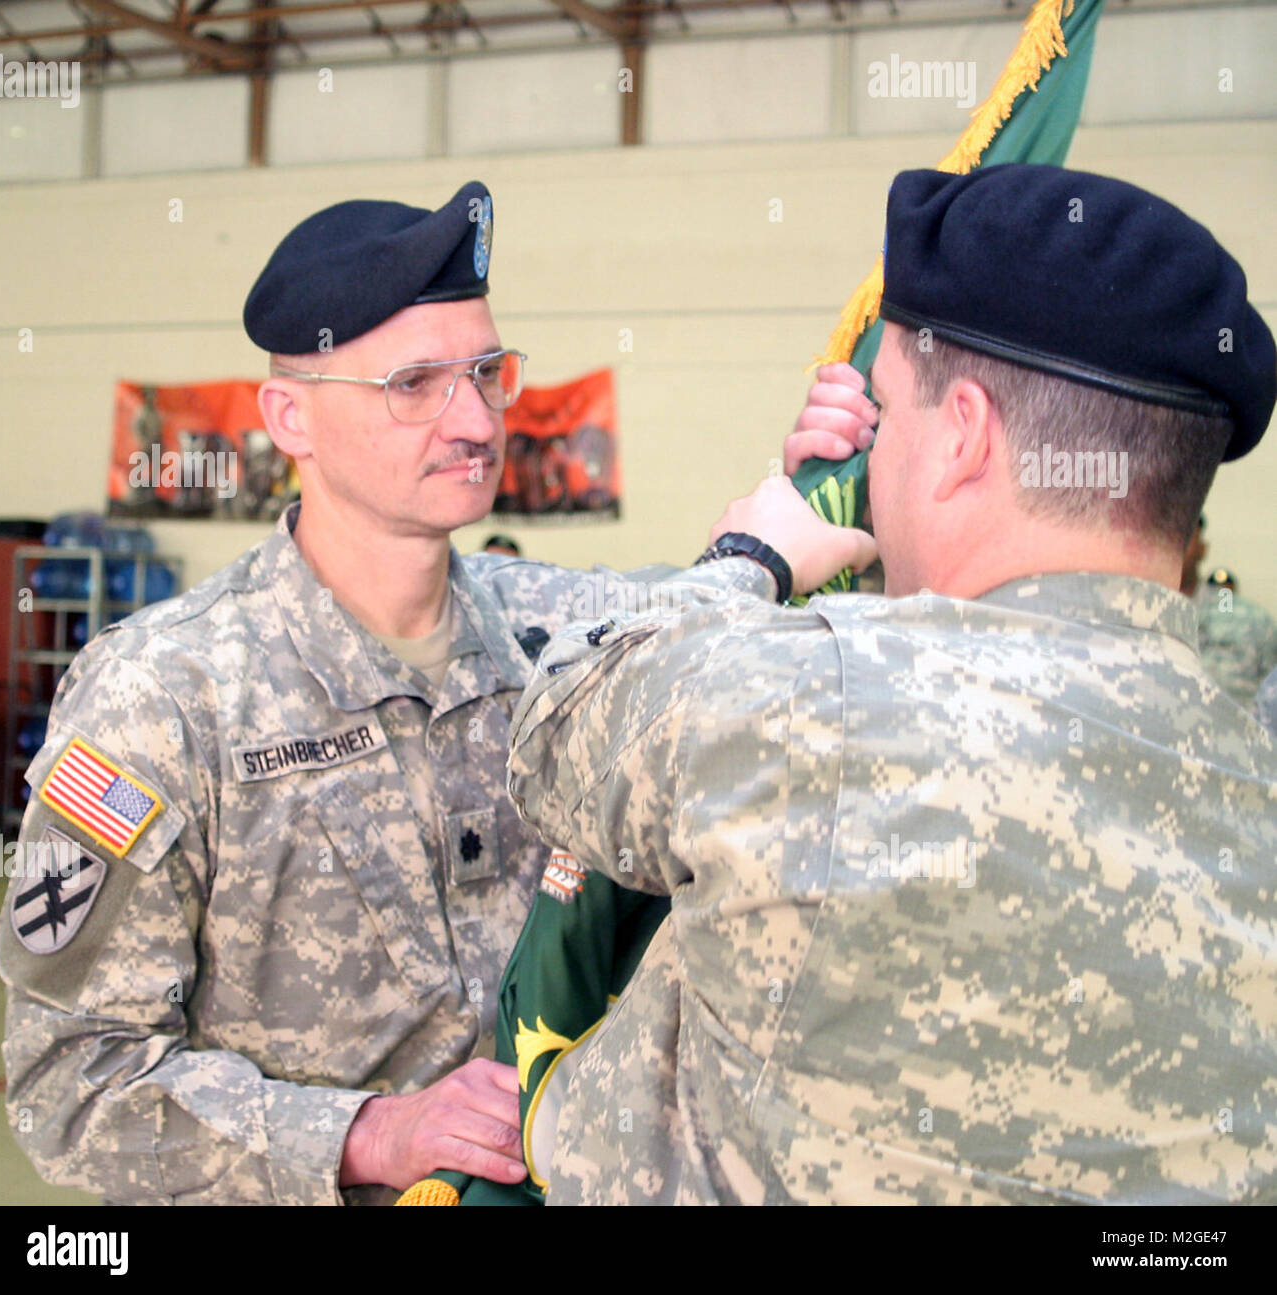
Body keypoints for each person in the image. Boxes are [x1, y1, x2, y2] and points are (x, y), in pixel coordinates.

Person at [0, 182, 809, 1205]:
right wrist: (370, 1135)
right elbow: (72, 1081)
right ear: (289, 416)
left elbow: (716, 610)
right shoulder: (164, 696)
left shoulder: (553, 631)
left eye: (484, 373)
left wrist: (813, 474)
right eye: (414, 382)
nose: (472, 418)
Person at [507, 164, 1277, 1205]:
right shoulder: (1249, 758)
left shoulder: (814, 705)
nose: (873, 462)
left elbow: (558, 718)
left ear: (961, 434)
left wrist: (749, 555)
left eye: (890, 419)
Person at [1180, 517, 1277, 713]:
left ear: (1201, 549)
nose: (1175, 547)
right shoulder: (1129, 616)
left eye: (1185, 537)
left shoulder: (1247, 619)